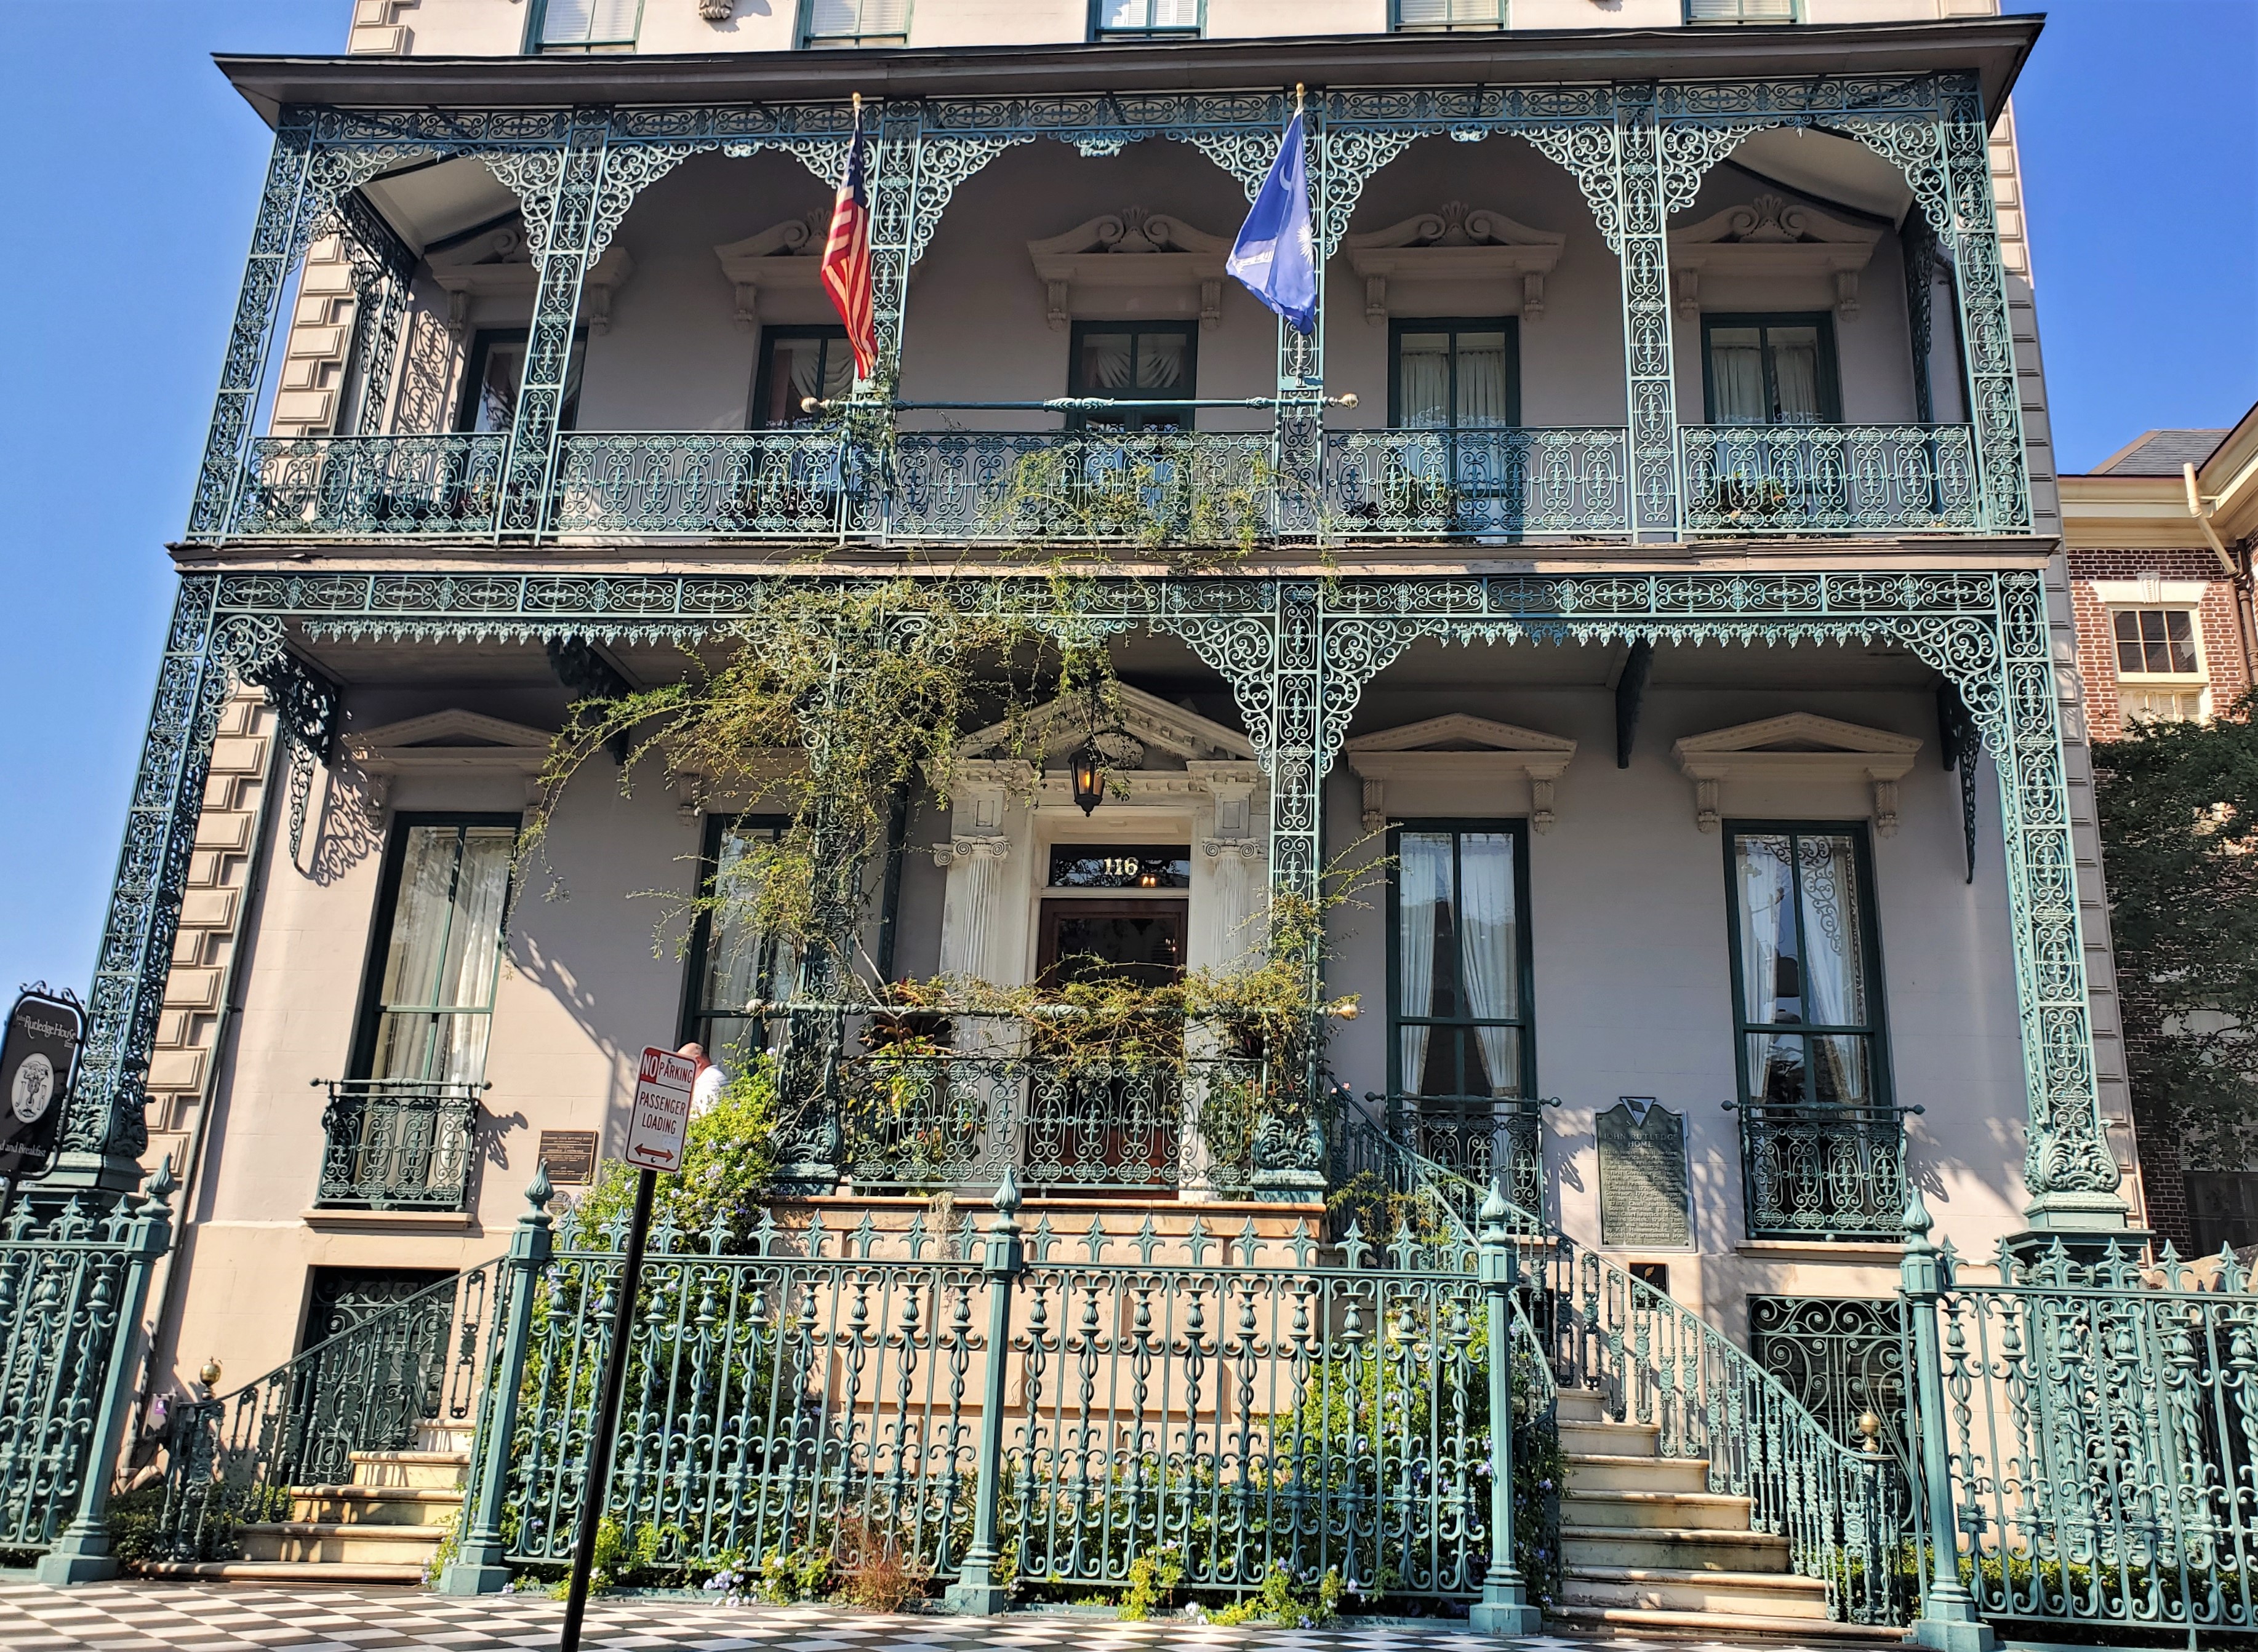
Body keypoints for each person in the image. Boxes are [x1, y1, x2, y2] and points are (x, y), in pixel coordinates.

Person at [680, 1041, 727, 1117]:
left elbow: (710, 1121)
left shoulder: (708, 1082)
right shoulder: (710, 1078)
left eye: (682, 1065)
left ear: (698, 1062)